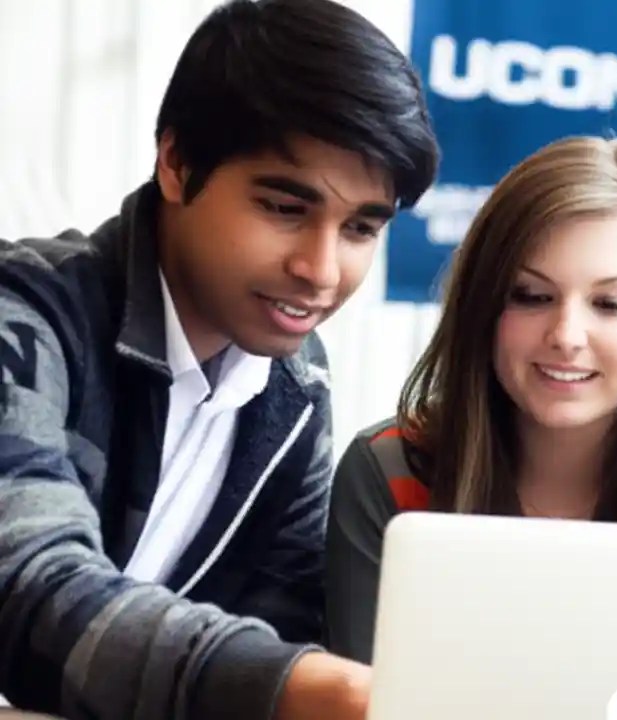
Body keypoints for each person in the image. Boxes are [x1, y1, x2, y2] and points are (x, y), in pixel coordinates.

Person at [0, 1, 439, 718]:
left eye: (361, 227)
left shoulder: (295, 390)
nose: (321, 270)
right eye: (285, 208)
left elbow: (279, 624)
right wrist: (303, 686)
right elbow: (29, 590)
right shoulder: (28, 317)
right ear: (176, 164)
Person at [325, 136, 617, 662]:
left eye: (611, 304)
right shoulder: (391, 473)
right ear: (483, 308)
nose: (567, 334)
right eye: (532, 296)